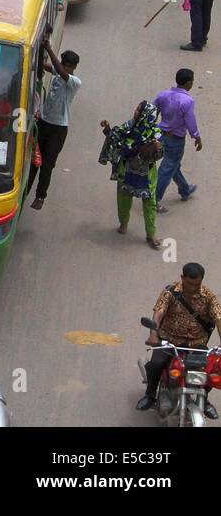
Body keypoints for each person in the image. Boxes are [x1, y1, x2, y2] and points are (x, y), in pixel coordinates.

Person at [137, 262, 221, 415]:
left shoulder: (209, 297)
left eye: (197, 284)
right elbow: (159, 313)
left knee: (211, 369)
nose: (193, 287)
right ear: (182, 278)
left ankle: (203, 399)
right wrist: (153, 335)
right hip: (169, 341)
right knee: (156, 364)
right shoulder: (170, 292)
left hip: (196, 344)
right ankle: (150, 395)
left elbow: (219, 318)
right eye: (189, 283)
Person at [26, 26, 80, 211]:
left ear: (73, 68)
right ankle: (26, 191)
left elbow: (58, 69)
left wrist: (49, 47)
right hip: (44, 123)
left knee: (47, 165)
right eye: (63, 63)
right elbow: (46, 66)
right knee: (35, 161)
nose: (64, 67)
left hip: (58, 129)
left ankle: (40, 196)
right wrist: (40, 48)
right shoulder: (58, 74)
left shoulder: (73, 81)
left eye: (68, 65)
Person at [100, 100, 164, 248]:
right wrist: (108, 129)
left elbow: (160, 154)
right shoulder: (128, 126)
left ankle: (151, 234)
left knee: (150, 204)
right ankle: (123, 223)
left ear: (145, 115)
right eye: (136, 109)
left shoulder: (155, 133)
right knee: (123, 199)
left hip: (147, 175)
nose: (135, 112)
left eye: (138, 110)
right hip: (126, 170)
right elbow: (115, 138)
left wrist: (156, 148)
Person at [153, 69, 202, 214]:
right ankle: (154, 201)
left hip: (161, 134)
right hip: (176, 139)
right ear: (188, 83)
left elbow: (152, 110)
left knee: (173, 165)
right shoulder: (187, 100)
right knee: (167, 168)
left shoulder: (164, 95)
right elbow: (190, 121)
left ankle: (185, 189)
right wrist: (197, 137)